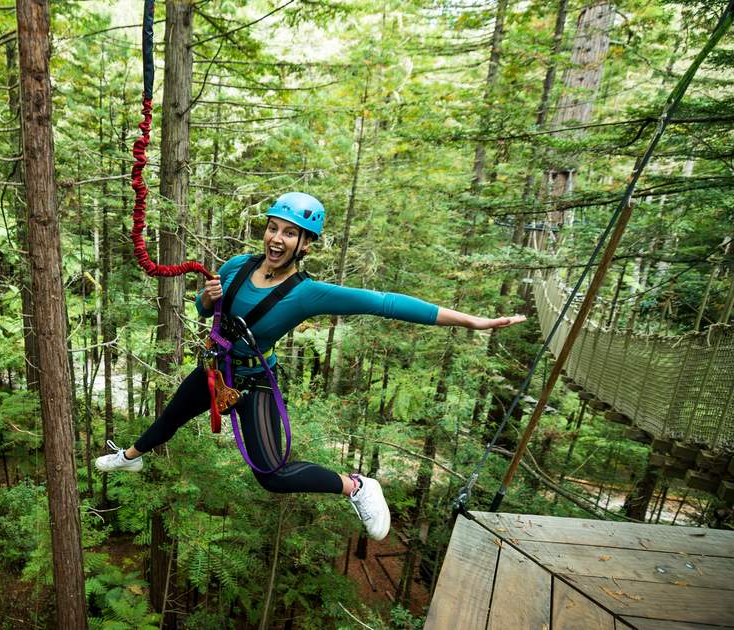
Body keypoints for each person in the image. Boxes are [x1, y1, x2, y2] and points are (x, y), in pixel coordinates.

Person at [95, 192, 526, 541]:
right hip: (215, 370)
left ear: (307, 244)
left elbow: (385, 303)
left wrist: (471, 321)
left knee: (273, 475)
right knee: (170, 418)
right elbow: (207, 309)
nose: (277, 239)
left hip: (251, 383)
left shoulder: (308, 294)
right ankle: (130, 457)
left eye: (291, 233)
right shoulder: (235, 266)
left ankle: (357, 486)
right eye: (273, 228)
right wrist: (207, 299)